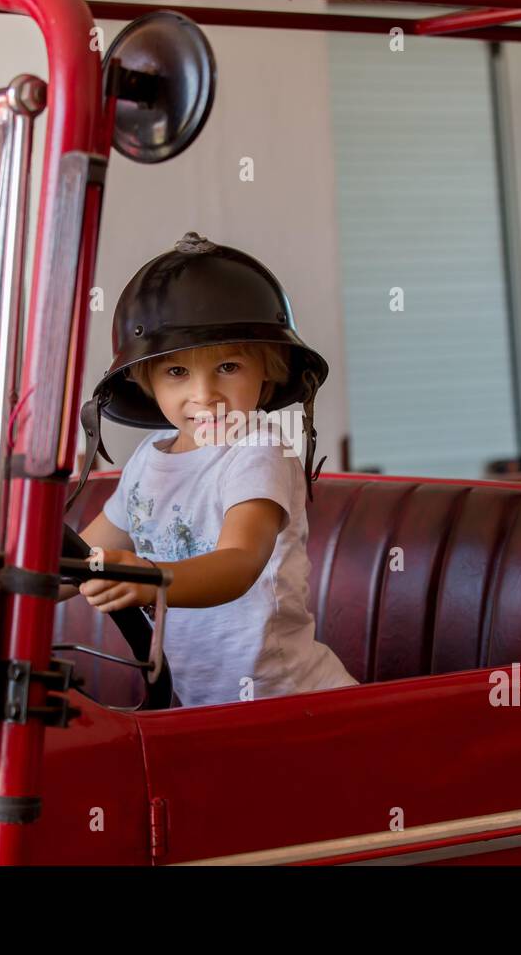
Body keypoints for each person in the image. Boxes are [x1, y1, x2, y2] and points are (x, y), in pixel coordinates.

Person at [58, 232, 358, 707]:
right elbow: (80, 559)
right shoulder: (147, 460)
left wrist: (149, 576)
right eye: (177, 373)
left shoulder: (259, 450)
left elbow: (239, 562)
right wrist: (10, 588)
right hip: (200, 705)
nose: (205, 395)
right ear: (146, 380)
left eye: (228, 367)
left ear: (269, 371)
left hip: (286, 703)